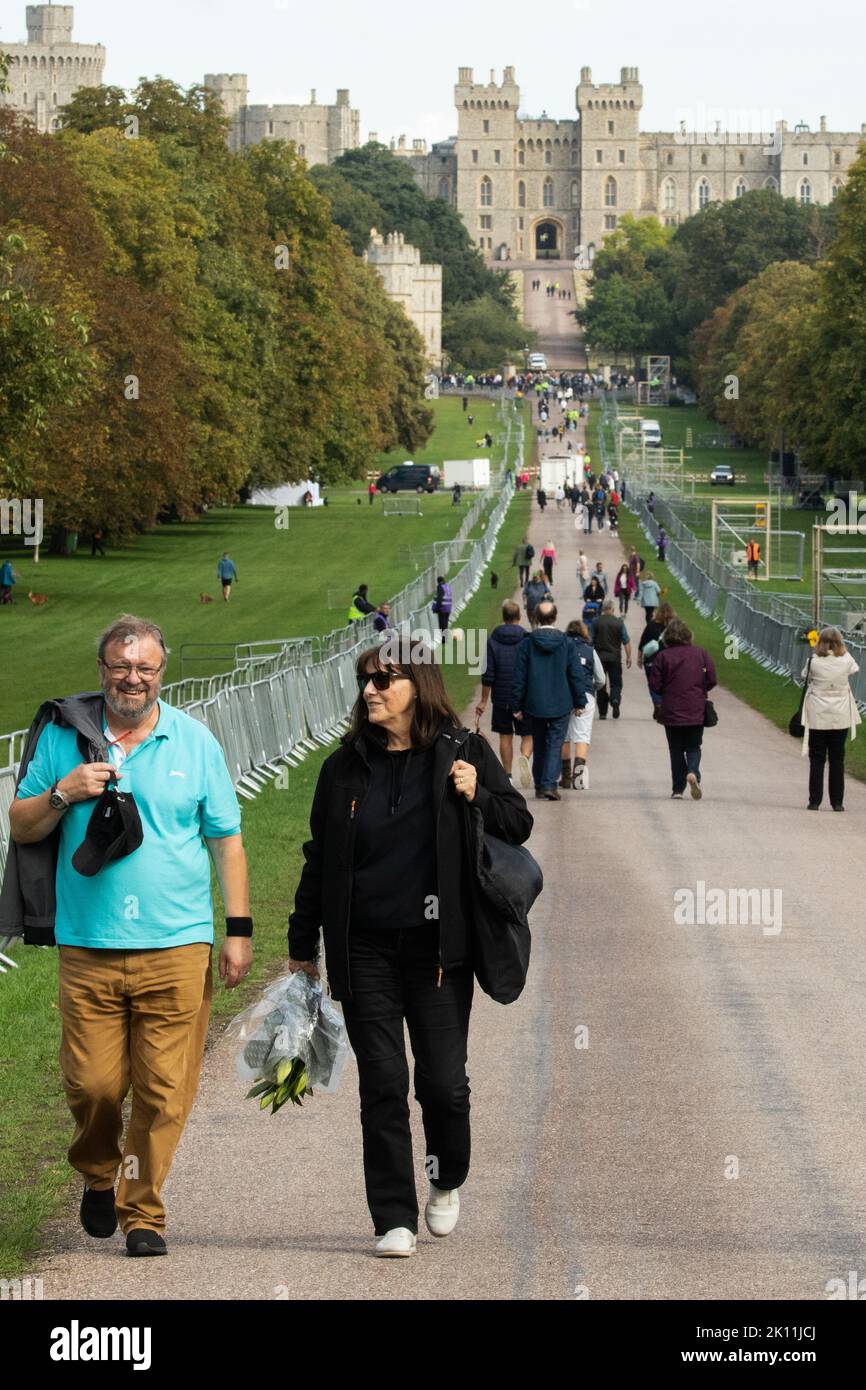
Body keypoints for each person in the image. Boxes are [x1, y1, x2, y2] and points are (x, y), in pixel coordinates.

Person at [6, 614, 249, 1255]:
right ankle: (97, 1172)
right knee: (94, 1086)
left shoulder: (195, 741)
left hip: (178, 944)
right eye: (121, 665)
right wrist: (62, 793)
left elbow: (226, 840)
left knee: (164, 1090)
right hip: (88, 945)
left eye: (145, 668)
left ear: (162, 673)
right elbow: (22, 826)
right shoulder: (65, 740)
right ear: (102, 670)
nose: (132, 678)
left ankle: (142, 1212)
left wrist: (238, 930)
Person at [287, 642, 532, 1256]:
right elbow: (320, 859)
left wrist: (479, 792)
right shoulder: (342, 768)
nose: (370, 690)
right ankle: (393, 1216)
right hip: (364, 948)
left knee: (444, 1085)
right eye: (366, 681)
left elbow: (517, 822)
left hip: (440, 950)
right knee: (384, 1083)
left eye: (384, 680)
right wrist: (301, 945)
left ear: (418, 687)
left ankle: (445, 1178)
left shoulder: (462, 751)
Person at [511, 601, 590, 801]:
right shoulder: (567, 643)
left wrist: (516, 705)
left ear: (536, 618)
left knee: (539, 743)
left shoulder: (527, 643)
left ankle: (541, 784)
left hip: (534, 702)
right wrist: (580, 702)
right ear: (554, 618)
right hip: (561, 701)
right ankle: (548, 783)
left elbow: (519, 677)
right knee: (555, 743)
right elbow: (575, 675)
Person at [649, 618, 717, 799]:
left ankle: (678, 789)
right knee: (694, 746)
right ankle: (693, 771)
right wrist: (701, 690)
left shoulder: (663, 656)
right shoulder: (701, 653)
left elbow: (655, 684)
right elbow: (712, 678)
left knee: (676, 748)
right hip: (695, 707)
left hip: (671, 708)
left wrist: (666, 690)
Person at [801, 626, 861, 810]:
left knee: (817, 758)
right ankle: (837, 802)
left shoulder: (814, 661)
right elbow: (854, 669)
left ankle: (814, 800)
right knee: (837, 758)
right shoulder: (846, 660)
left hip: (818, 712)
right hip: (840, 712)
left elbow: (805, 675)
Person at [476, 600, 533, 786]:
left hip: (501, 697)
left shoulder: (492, 641)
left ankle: (507, 774)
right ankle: (524, 757)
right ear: (519, 617)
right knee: (528, 734)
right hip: (523, 697)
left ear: (503, 617)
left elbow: (488, 674)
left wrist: (483, 700)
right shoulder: (527, 639)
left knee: (505, 735)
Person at [560, 620, 605, 790]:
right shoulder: (589, 650)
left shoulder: (562, 649)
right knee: (582, 735)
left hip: (564, 694)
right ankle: (578, 778)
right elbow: (601, 679)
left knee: (563, 735)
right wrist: (592, 688)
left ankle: (565, 777)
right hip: (585, 694)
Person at [593, 600, 632, 719]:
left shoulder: (596, 622)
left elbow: (590, 640)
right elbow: (626, 641)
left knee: (601, 684)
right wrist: (628, 657)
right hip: (615, 658)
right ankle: (615, 699)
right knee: (616, 683)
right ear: (613, 609)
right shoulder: (619, 623)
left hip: (599, 659)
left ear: (603, 609)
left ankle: (603, 712)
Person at [637, 601, 676, 707]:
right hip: (669, 660)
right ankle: (664, 703)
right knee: (667, 683)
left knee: (652, 683)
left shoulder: (651, 625)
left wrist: (639, 658)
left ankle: (657, 703)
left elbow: (642, 642)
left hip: (651, 660)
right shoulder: (674, 628)